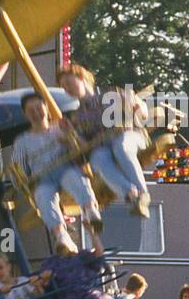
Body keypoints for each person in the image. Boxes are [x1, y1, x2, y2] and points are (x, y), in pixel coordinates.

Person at [11, 91, 103, 256]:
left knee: (76, 178)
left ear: (46, 108)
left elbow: (82, 151)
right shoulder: (22, 141)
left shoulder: (60, 128)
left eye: (38, 108)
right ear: (25, 114)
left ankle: (90, 210)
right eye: (30, 110)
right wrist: (23, 181)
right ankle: (60, 235)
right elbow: (19, 169)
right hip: (42, 177)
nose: (36, 113)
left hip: (64, 169)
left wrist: (70, 137)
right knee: (42, 196)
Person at [57, 64, 152, 218]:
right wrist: (70, 133)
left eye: (68, 83)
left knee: (120, 146)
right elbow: (84, 146)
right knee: (97, 158)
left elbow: (141, 110)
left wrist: (139, 108)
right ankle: (131, 194)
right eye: (63, 86)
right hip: (104, 145)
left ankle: (143, 192)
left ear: (82, 78)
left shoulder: (112, 94)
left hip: (130, 135)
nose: (67, 88)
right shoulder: (78, 115)